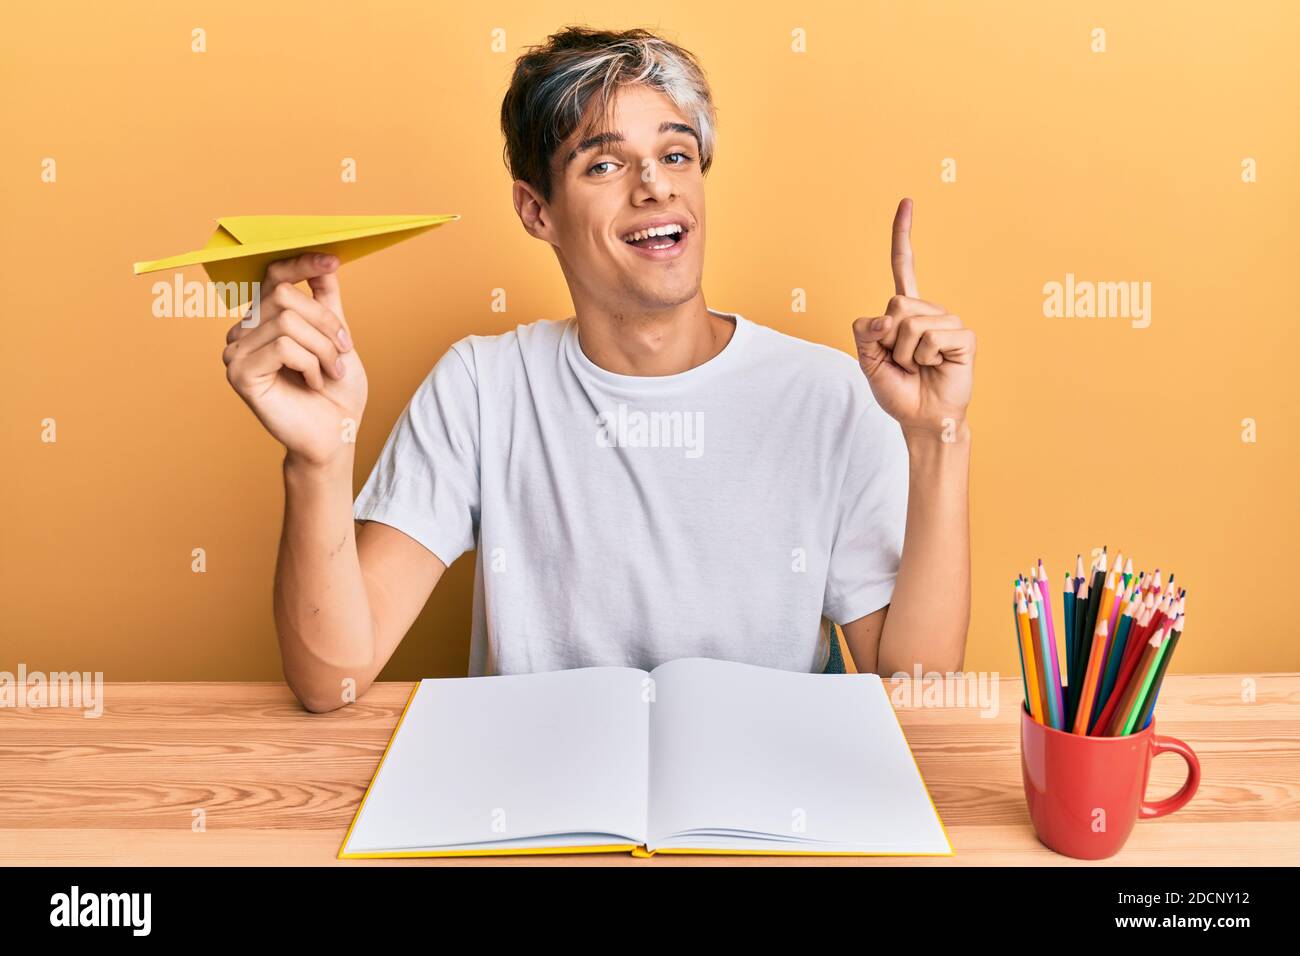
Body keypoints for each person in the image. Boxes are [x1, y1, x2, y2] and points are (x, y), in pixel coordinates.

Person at [221, 26, 975, 712]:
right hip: (537, 822)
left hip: (761, 827)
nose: (655, 186)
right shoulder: (482, 388)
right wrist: (316, 460)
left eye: (676, 154)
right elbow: (333, 676)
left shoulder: (830, 395)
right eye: (606, 163)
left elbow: (919, 689)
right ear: (536, 211)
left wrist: (939, 437)